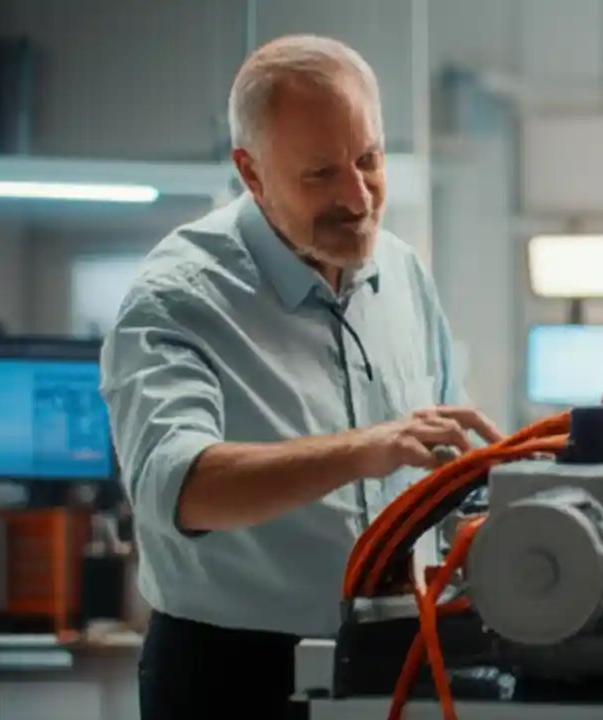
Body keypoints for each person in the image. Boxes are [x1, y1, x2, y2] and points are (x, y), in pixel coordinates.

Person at [99, 35, 502, 719]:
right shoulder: (178, 298)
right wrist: (365, 449)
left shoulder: (400, 273)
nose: (356, 196)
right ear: (251, 173)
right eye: (319, 174)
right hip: (234, 674)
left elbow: (447, 450)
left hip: (398, 651)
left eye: (368, 160)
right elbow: (182, 487)